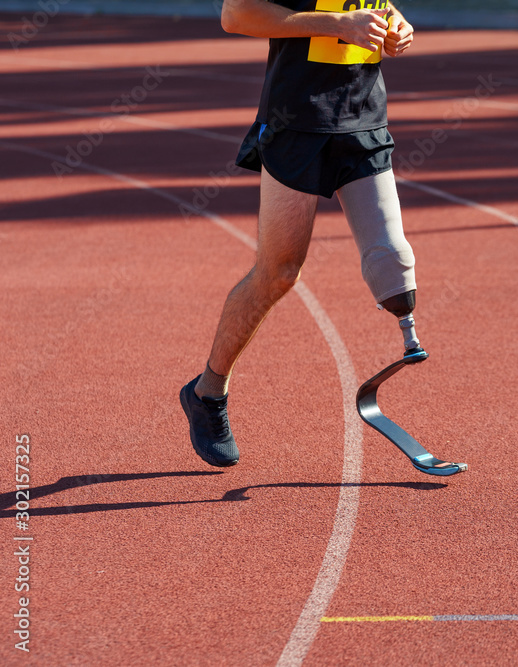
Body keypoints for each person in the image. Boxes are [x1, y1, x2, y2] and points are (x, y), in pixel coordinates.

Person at [180, 0, 424, 468]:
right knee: (279, 272)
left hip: (365, 116)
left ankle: (408, 341)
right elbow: (236, 15)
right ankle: (208, 392)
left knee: (395, 265)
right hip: (299, 120)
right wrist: (338, 25)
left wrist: (398, 24)